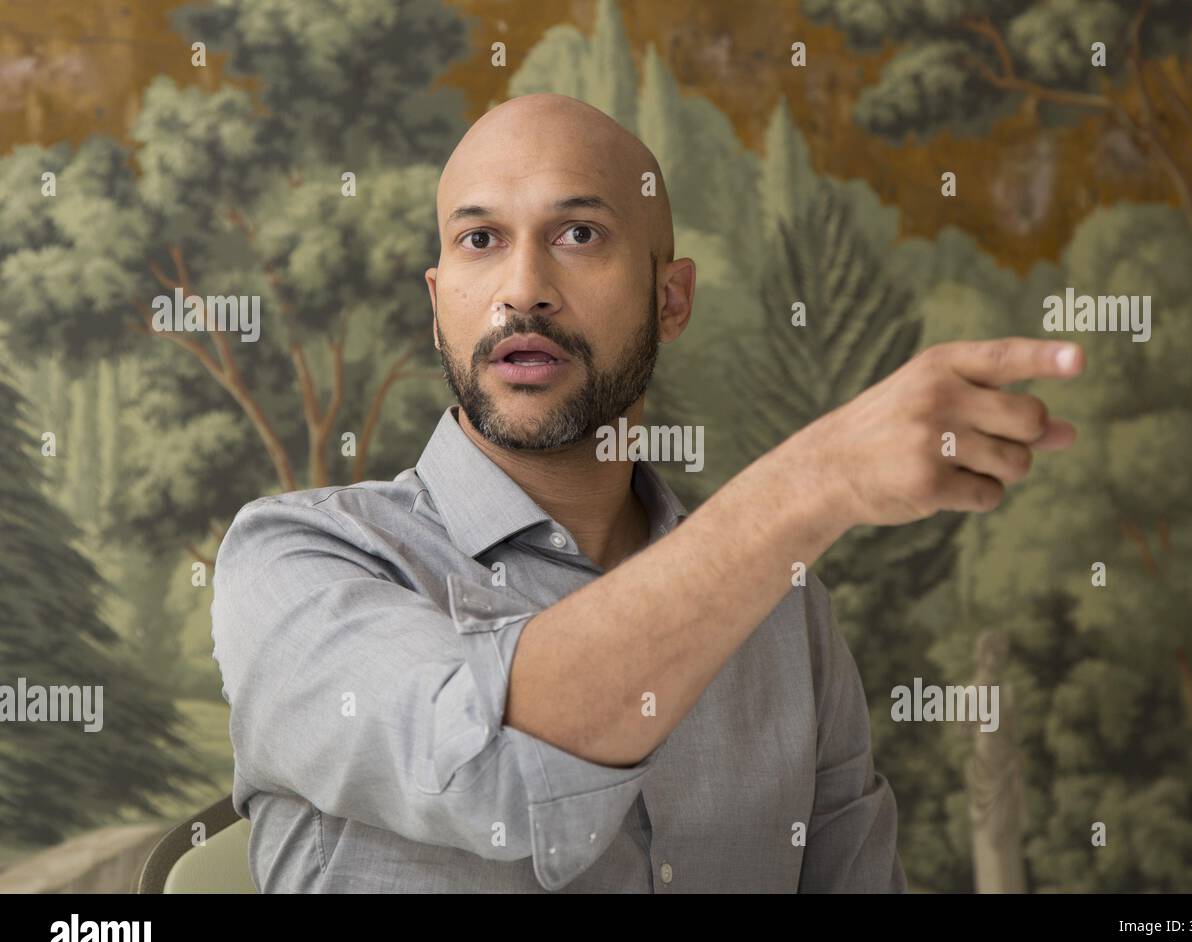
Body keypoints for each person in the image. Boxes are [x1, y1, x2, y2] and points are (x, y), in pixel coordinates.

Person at [211, 93, 1084, 893]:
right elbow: (486, 767)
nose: (523, 291)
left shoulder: (785, 614)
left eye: (579, 234)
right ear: (439, 305)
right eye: (481, 240)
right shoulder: (294, 561)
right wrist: (821, 478)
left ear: (672, 299)